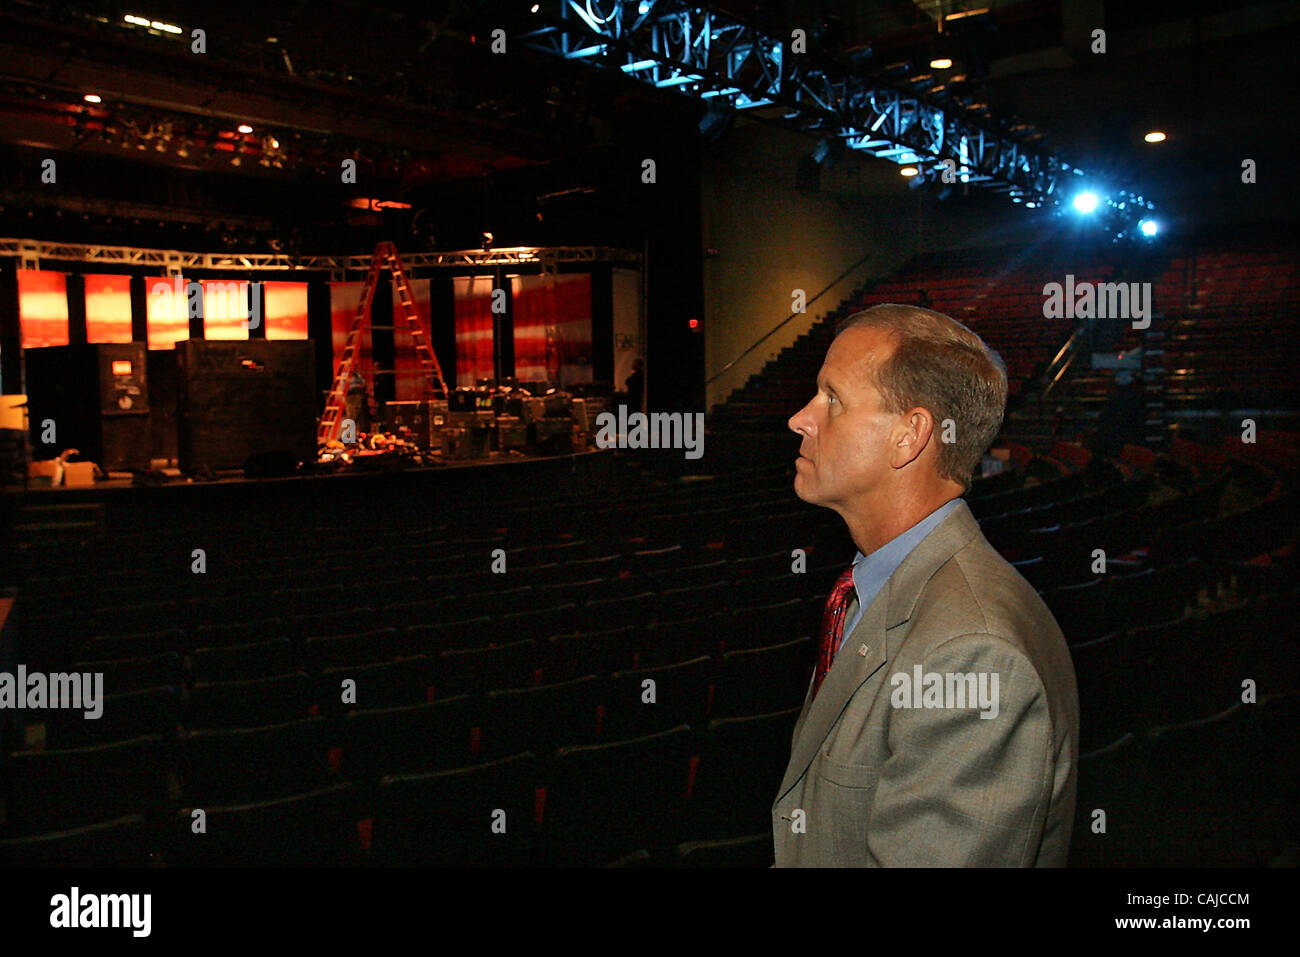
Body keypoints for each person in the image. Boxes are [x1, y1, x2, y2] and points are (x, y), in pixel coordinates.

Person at [774, 303, 1079, 866]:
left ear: (909, 435)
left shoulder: (973, 653)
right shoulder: (878, 587)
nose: (801, 418)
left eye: (832, 398)